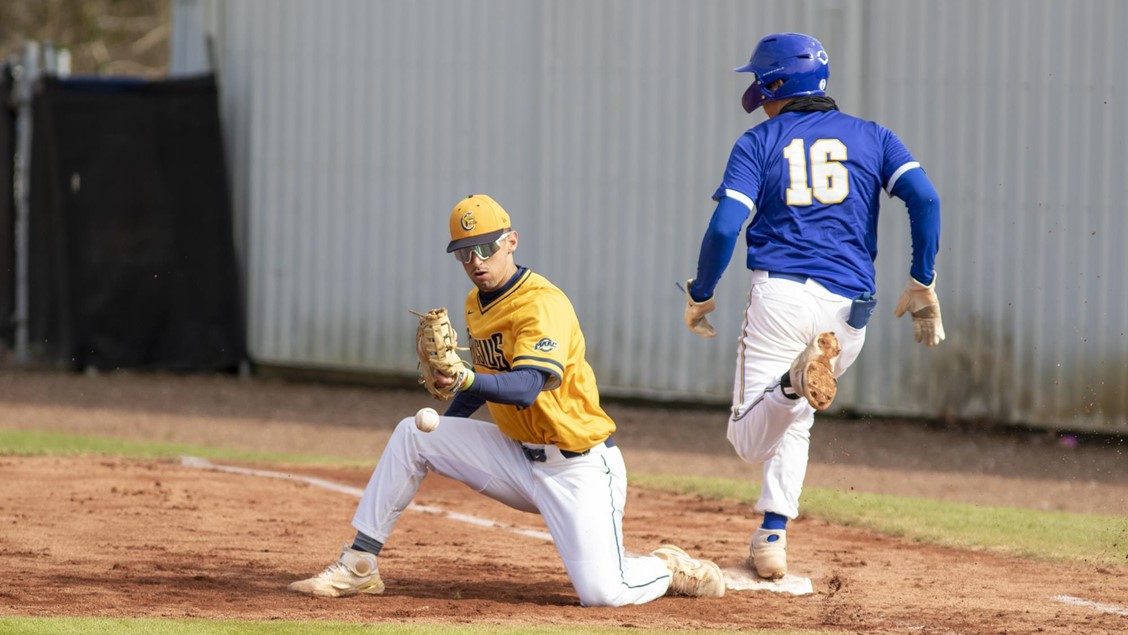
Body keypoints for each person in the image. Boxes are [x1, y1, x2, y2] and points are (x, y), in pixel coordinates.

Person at [291, 194, 725, 604]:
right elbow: (483, 381)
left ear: (511, 242)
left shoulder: (542, 304)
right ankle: (359, 565)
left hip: (579, 467)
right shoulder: (474, 303)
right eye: (464, 253)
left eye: (485, 248)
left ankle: (667, 567)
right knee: (414, 434)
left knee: (602, 593)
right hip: (517, 458)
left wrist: (463, 379)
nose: (475, 262)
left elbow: (527, 385)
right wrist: (450, 413)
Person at [683, 33, 945, 580]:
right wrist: (922, 281)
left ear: (776, 84)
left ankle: (790, 381)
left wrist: (702, 290)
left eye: (761, 82)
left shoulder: (759, 142)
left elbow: (727, 225)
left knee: (750, 438)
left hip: (782, 297)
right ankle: (772, 535)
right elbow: (926, 198)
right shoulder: (875, 137)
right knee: (797, 419)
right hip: (851, 310)